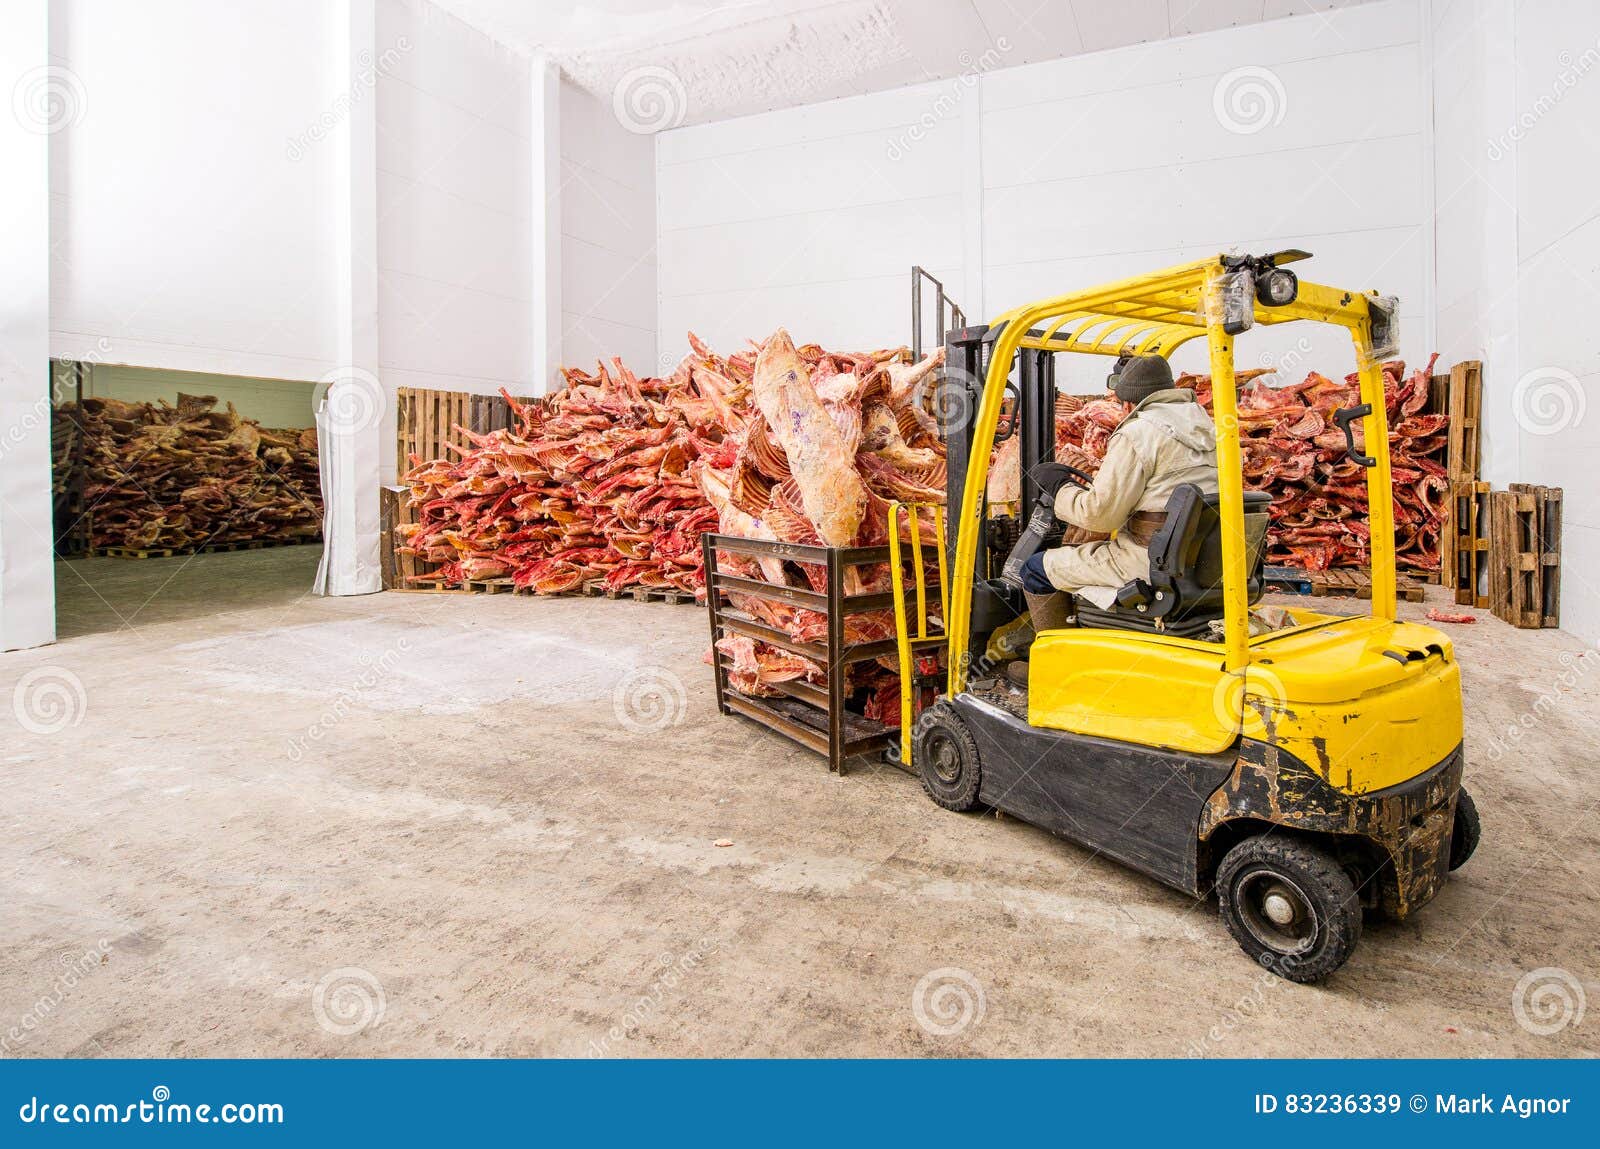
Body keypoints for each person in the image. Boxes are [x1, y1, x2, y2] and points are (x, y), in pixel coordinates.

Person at [1017, 354, 1219, 636]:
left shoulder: (1138, 433)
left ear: (1128, 404)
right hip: (1208, 564)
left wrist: (1061, 488)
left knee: (1035, 569)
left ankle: (1053, 654)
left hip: (1150, 563)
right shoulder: (1210, 428)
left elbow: (1099, 516)